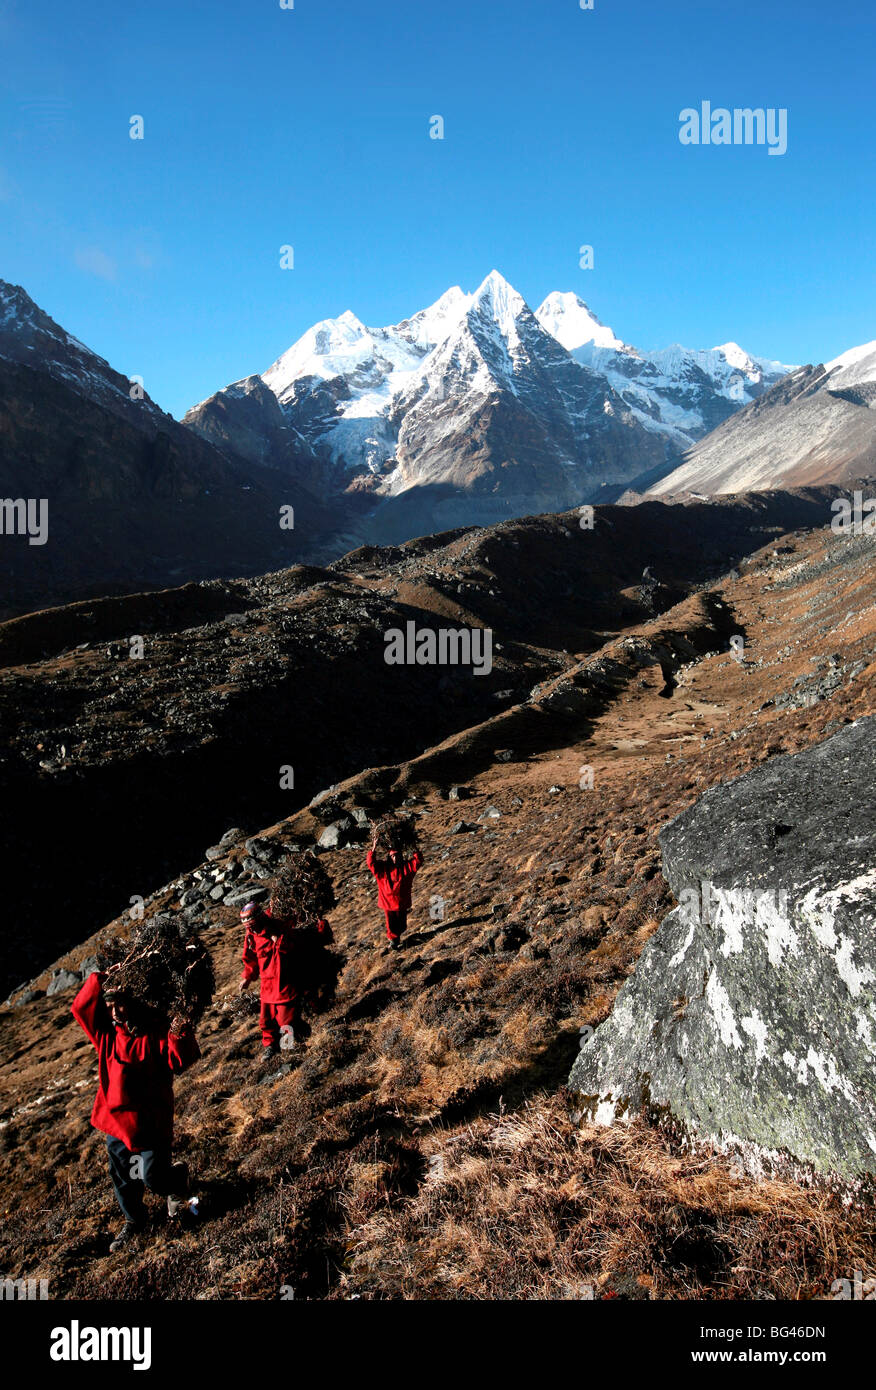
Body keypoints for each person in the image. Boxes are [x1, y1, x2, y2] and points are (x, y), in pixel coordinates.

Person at [71, 968, 200, 1253]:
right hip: (117, 1123)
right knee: (125, 1178)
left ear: (135, 1001)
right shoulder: (106, 1034)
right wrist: (99, 977)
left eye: (121, 1003)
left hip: (152, 1122)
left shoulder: (155, 1031)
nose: (115, 1011)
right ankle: (134, 1221)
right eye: (110, 1004)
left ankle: (176, 1180)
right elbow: (81, 1007)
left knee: (152, 1177)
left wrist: (180, 1030)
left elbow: (181, 1060)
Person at [238, 889, 334, 1058]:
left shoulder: (280, 925)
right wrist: (247, 977)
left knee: (286, 1021)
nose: (251, 929)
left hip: (287, 984)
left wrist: (277, 939)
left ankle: (290, 1048)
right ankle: (271, 1046)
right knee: (265, 1021)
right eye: (248, 927)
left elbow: (296, 945)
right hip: (267, 985)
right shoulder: (251, 936)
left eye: (252, 926)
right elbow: (251, 958)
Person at [366, 844, 423, 949]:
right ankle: (393, 942)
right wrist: (373, 848)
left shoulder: (407, 867)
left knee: (402, 926)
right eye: (392, 856)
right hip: (387, 902)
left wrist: (413, 846)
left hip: (401, 903)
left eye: (397, 855)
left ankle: (396, 939)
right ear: (389, 857)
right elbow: (371, 863)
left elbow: (418, 861)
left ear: (401, 856)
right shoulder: (383, 869)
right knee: (391, 925)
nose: (395, 858)